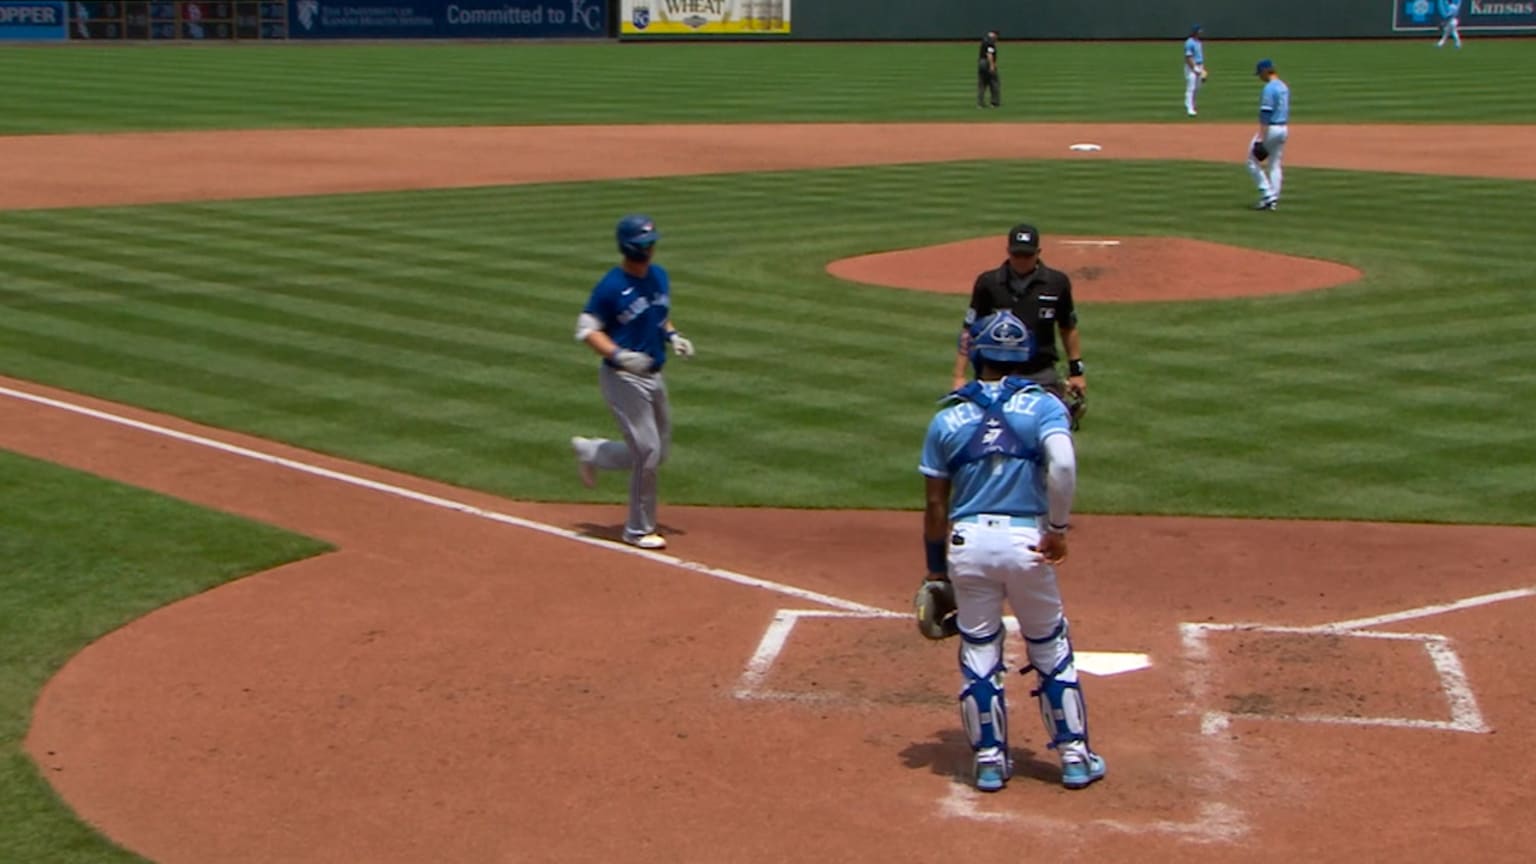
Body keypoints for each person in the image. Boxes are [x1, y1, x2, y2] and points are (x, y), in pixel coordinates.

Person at [919, 310, 1106, 792]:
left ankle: (988, 761)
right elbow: (1063, 465)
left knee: (979, 648)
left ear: (978, 353)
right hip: (1026, 541)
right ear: (1024, 357)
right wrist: (1059, 529)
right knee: (1049, 646)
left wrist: (936, 573)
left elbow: (936, 507)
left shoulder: (947, 418)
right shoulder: (1043, 406)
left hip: (968, 544)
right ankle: (1074, 757)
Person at [570, 214, 695, 550]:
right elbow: (586, 329)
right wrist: (620, 356)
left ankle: (592, 452)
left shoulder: (659, 277)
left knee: (657, 451)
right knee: (649, 451)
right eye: (644, 244)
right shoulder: (611, 286)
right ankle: (638, 529)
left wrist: (673, 335)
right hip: (623, 378)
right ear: (629, 247)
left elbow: (658, 312)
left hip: (654, 374)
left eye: (652, 243)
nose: (650, 250)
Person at [950, 224, 1084, 413]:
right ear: (1008, 252)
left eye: (1027, 255)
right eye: (1016, 255)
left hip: (1039, 373)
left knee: (1046, 428)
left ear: (1038, 252)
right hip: (994, 374)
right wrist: (959, 376)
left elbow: (1067, 327)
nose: (1021, 261)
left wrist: (1076, 371)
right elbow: (969, 330)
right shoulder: (988, 282)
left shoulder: (1056, 283)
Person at [1247, 59, 1290, 211]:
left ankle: (1267, 194)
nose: (1260, 77)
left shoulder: (1269, 88)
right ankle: (1273, 200)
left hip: (1271, 128)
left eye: (1260, 73)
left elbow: (1265, 114)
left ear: (1266, 71)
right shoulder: (1284, 86)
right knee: (1275, 164)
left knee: (1252, 161)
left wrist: (1260, 137)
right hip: (1283, 128)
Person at [1183, 24, 1207, 117]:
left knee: (1197, 87)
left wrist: (1202, 69)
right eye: (1199, 31)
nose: (1201, 32)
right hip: (1191, 67)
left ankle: (1192, 103)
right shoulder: (1189, 42)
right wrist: (1195, 68)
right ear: (1195, 32)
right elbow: (1188, 57)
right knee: (1191, 88)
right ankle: (1189, 108)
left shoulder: (1199, 42)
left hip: (1199, 65)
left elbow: (1200, 57)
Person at [977, 30, 1000, 109]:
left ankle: (980, 103)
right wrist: (992, 65)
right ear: (995, 35)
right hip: (987, 63)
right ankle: (994, 103)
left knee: (982, 84)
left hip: (981, 63)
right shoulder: (990, 42)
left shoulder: (984, 39)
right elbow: (989, 54)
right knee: (994, 83)